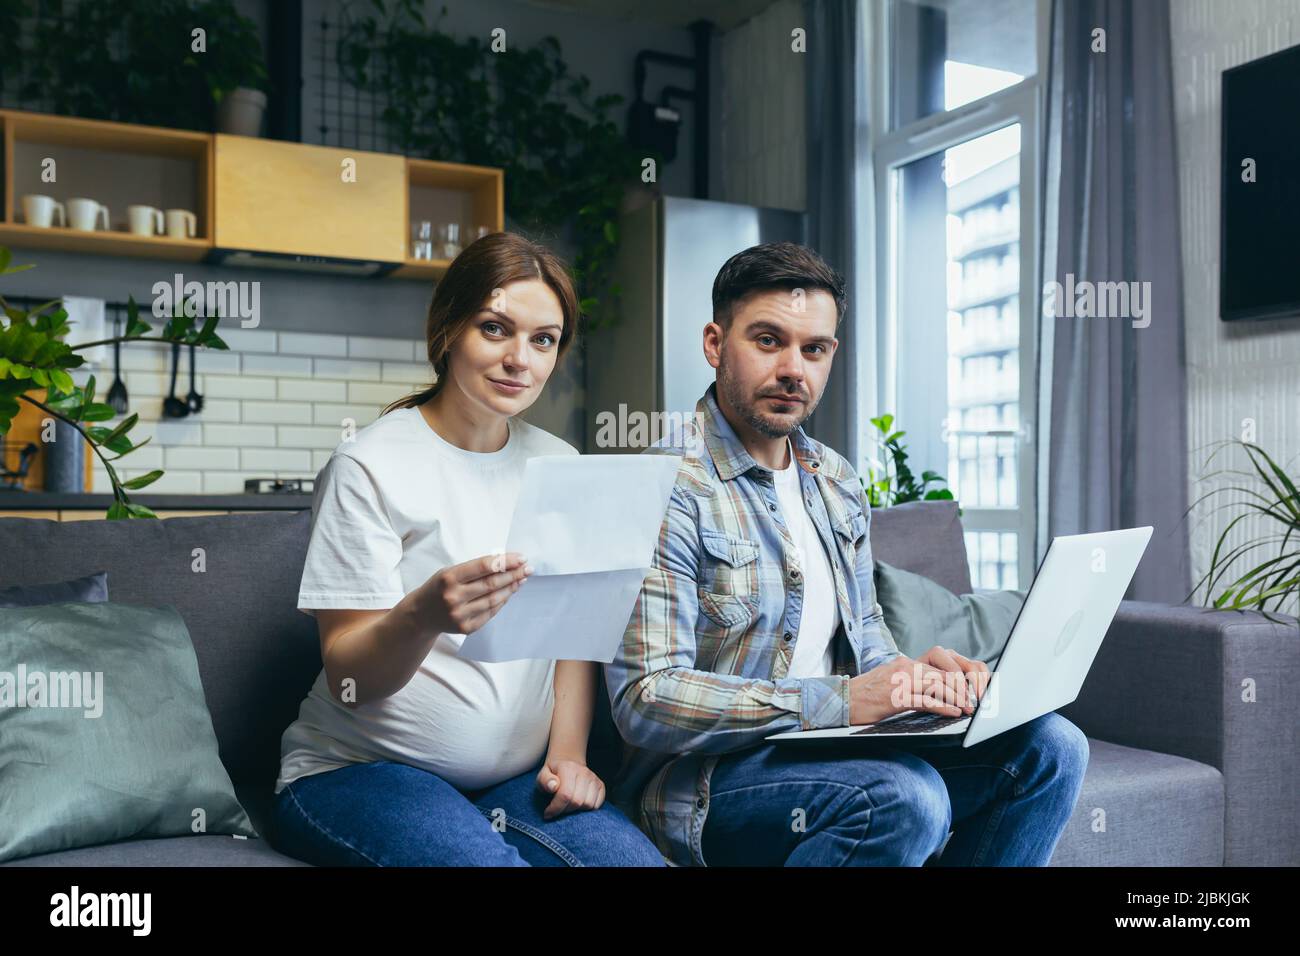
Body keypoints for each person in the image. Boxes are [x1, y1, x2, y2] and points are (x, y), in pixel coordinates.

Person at [603, 241, 1089, 867]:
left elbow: (865, 643)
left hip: (829, 750)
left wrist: (916, 679)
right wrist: (838, 700)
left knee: (1052, 748)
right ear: (714, 344)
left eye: (815, 348)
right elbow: (645, 700)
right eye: (768, 340)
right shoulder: (667, 482)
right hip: (702, 782)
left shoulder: (836, 481)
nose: (793, 370)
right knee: (906, 799)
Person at [269, 232, 664, 867]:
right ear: (449, 329)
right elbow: (347, 679)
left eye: (543, 339)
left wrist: (568, 754)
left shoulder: (559, 465)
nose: (520, 359)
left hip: (515, 782)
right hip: (359, 771)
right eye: (495, 328)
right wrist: (421, 616)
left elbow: (572, 638)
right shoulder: (368, 465)